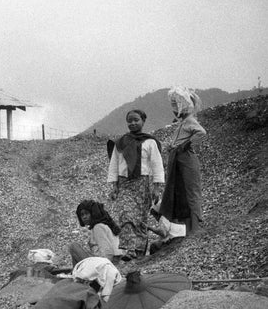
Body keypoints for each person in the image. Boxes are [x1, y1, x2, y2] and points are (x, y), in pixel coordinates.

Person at [107, 109, 165, 255]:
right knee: (125, 213)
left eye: (136, 120)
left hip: (142, 184)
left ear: (143, 121)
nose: (132, 123)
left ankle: (139, 252)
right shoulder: (121, 142)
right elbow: (114, 164)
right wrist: (114, 185)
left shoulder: (150, 142)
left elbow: (157, 165)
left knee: (140, 218)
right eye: (129, 121)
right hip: (124, 184)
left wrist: (157, 188)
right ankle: (129, 249)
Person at [158, 87, 208, 235]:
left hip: (186, 158)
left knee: (191, 191)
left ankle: (196, 227)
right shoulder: (184, 122)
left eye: (175, 106)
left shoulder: (190, 121)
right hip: (178, 158)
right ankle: (187, 227)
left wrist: (186, 144)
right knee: (181, 191)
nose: (174, 110)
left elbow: (201, 132)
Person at [68, 200, 125, 266]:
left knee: (73, 246)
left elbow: (107, 252)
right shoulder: (104, 225)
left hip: (104, 265)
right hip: (106, 263)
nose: (84, 217)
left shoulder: (98, 227)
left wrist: (103, 267)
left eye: (87, 213)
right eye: (82, 215)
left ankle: (77, 271)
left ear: (93, 213)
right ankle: (77, 271)